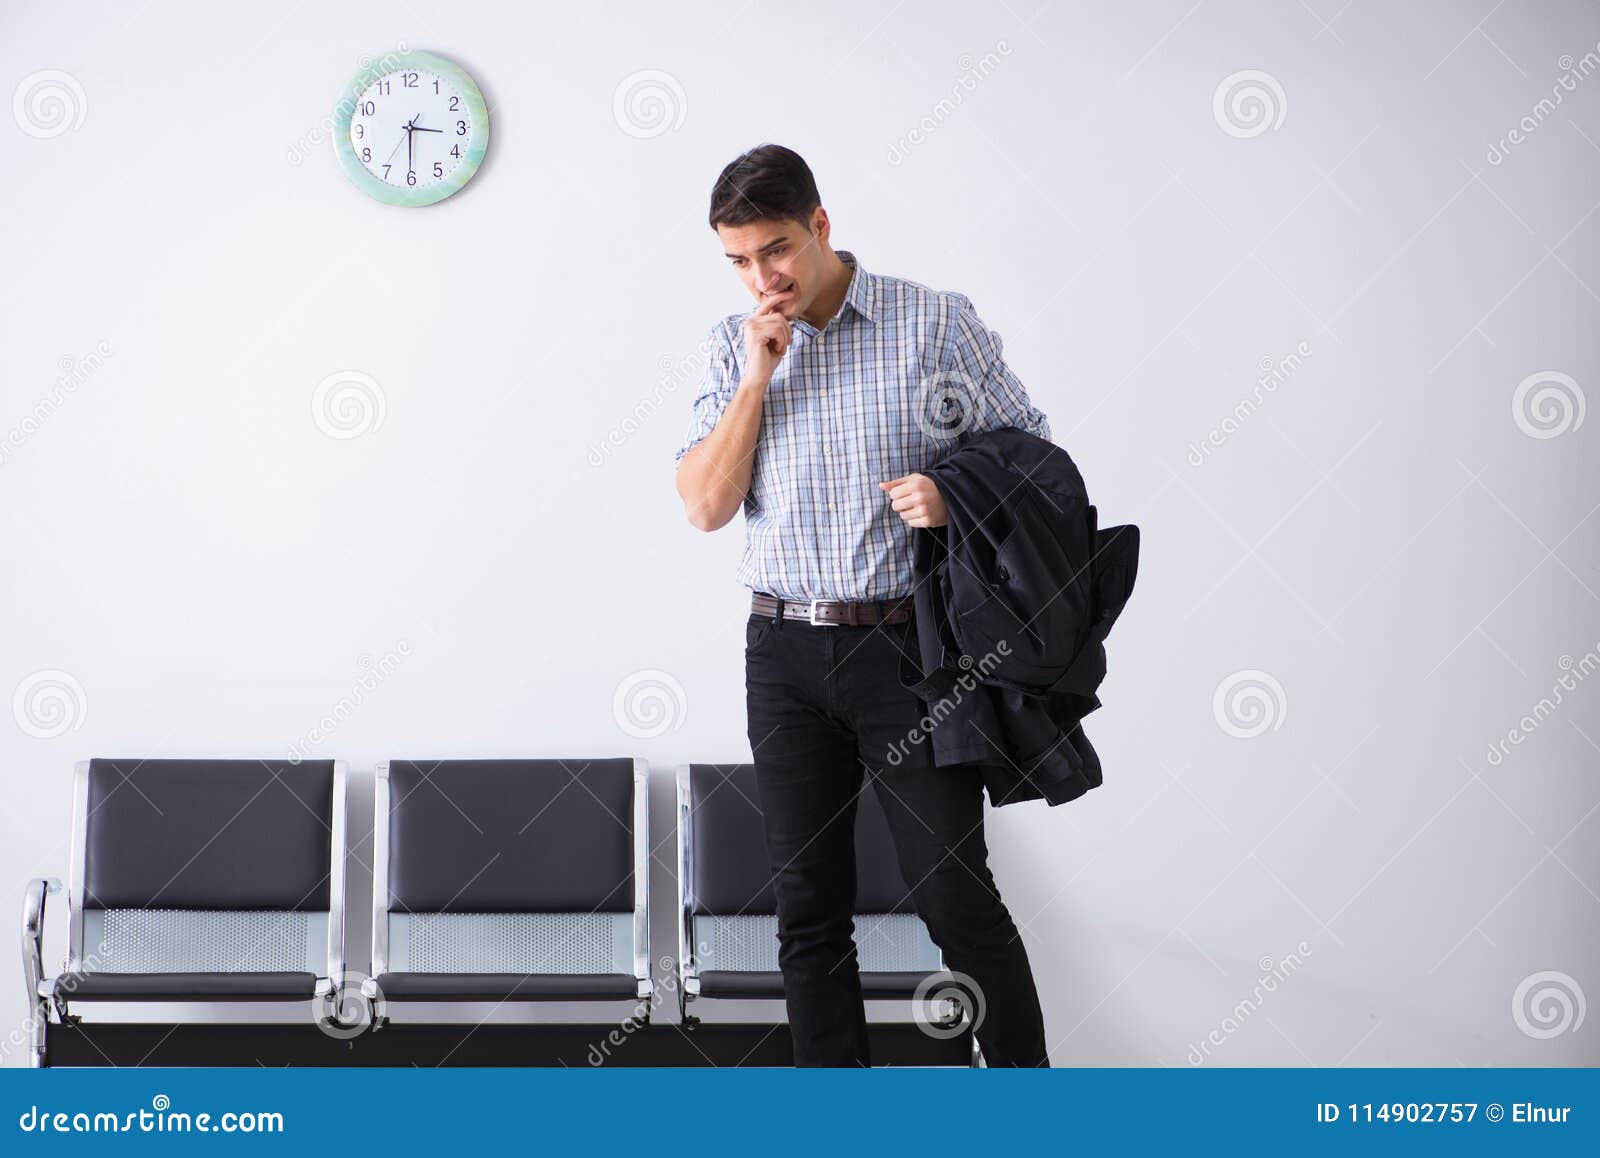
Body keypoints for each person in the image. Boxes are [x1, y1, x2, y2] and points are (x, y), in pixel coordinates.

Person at [673, 143, 1052, 1067]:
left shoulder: (931, 325)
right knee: (807, 910)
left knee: (952, 896)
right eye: (739, 261)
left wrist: (953, 491)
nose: (762, 278)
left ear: (821, 227)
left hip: (906, 656)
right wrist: (760, 376)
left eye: (776, 250)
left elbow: (1035, 460)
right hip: (784, 652)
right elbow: (704, 506)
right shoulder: (734, 346)